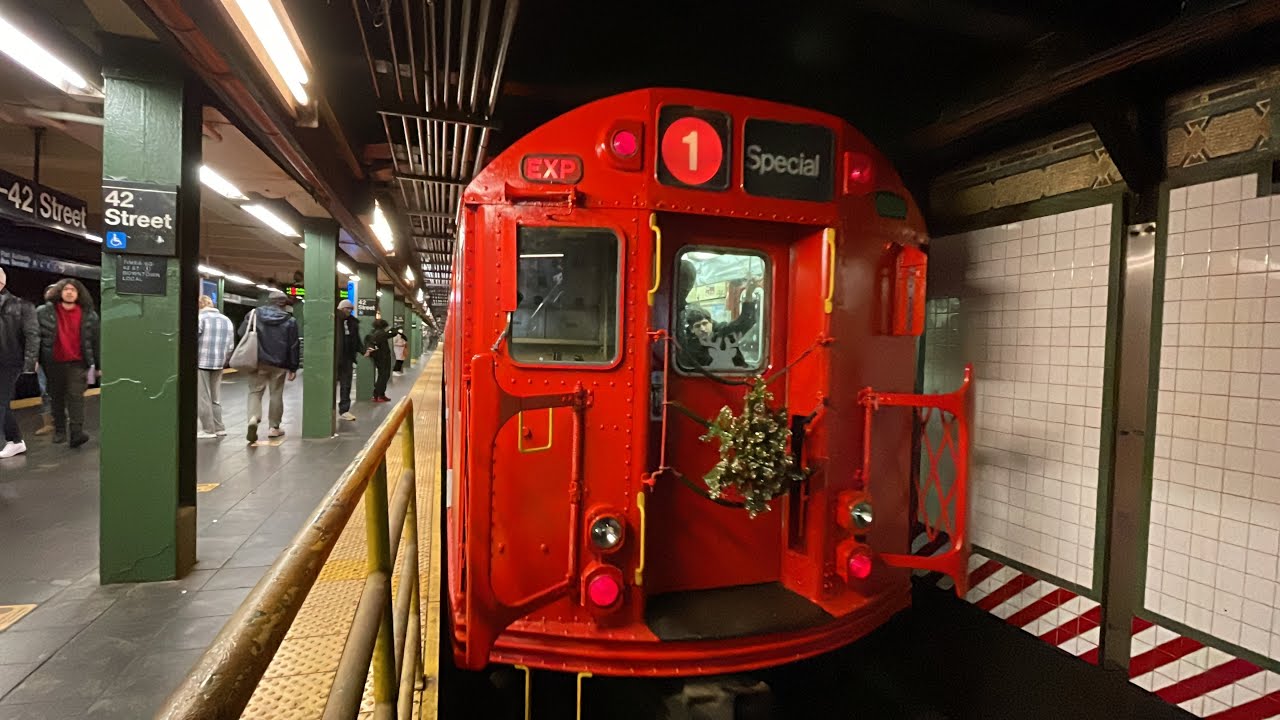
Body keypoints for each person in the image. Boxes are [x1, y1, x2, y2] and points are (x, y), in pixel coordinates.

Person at [37, 278, 100, 448]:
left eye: (73, 289)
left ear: (79, 294)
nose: (70, 292)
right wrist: (35, 359)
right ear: (59, 292)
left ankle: (76, 433)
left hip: (78, 362)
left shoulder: (90, 316)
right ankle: (59, 431)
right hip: (53, 362)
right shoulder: (43, 312)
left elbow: (96, 342)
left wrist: (99, 366)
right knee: (56, 397)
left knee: (76, 396)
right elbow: (36, 337)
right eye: (66, 289)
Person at [239, 289, 299, 443]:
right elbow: (293, 346)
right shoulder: (289, 321)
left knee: (255, 392)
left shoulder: (254, 314)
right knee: (276, 394)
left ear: (269, 301)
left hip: (257, 360)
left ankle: (253, 418)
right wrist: (293, 367)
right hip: (279, 364)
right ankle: (274, 428)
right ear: (284, 304)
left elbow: (241, 332)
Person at [678, 277, 761, 370]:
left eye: (705, 323)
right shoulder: (689, 348)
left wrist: (749, 294)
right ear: (692, 330)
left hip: (736, 375)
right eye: (697, 326)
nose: (702, 328)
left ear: (711, 323)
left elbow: (745, 322)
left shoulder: (723, 333)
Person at [0, 267, 38, 459]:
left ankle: (13, 441)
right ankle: (15, 441)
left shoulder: (22, 306)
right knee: (3, 403)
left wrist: (30, 363)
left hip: (9, 360)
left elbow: (32, 335)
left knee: (0, 401)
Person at [196, 295, 234, 439]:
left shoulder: (200, 319)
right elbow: (230, 346)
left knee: (203, 397)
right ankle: (219, 428)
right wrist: (223, 359)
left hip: (201, 362)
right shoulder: (227, 320)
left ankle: (207, 430)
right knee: (215, 398)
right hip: (218, 363)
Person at [31, 283, 57, 437]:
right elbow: (33, 335)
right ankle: (48, 424)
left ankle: (61, 418)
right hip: (44, 359)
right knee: (45, 391)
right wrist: (34, 358)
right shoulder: (39, 312)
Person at [336, 299, 360, 421]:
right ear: (340, 309)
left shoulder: (353, 323)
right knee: (330, 384)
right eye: (347, 309)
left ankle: (344, 409)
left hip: (347, 358)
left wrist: (362, 350)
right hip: (335, 357)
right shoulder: (334, 320)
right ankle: (327, 409)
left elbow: (356, 339)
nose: (349, 311)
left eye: (351, 309)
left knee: (346, 385)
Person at [364, 318, 394, 403]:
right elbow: (392, 334)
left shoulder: (373, 332)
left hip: (378, 357)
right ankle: (379, 395)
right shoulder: (381, 333)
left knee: (382, 375)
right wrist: (393, 330)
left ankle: (379, 395)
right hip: (383, 357)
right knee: (384, 376)